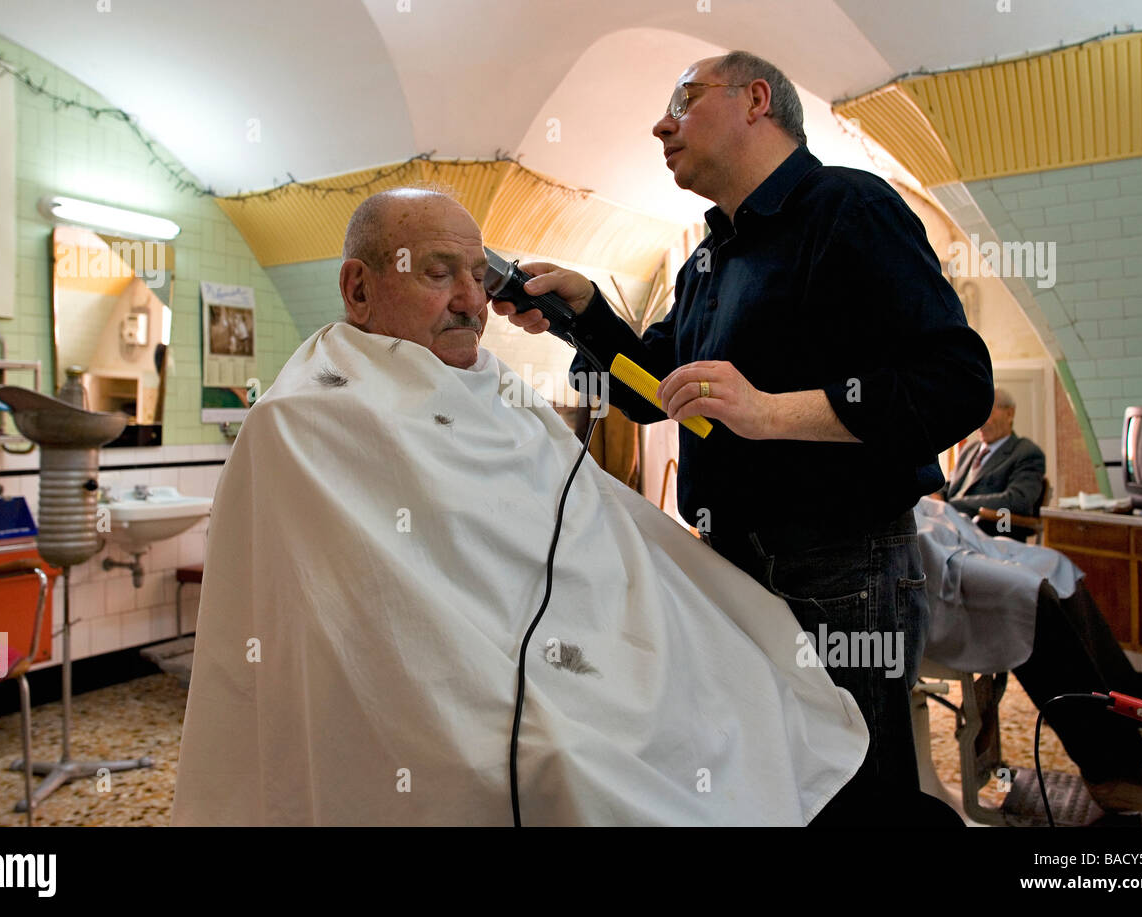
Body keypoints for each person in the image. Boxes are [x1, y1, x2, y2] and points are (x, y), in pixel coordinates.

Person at [172, 187, 869, 825]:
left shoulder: (496, 388)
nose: (472, 303)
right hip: (457, 694)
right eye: (439, 272)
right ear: (359, 288)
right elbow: (376, 623)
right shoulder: (304, 421)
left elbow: (600, 524)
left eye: (480, 275)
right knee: (571, 764)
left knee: (744, 671)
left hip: (597, 646)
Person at [496, 51, 995, 821]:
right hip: (730, 565)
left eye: (684, 100)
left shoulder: (849, 209)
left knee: (856, 788)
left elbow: (955, 381)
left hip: (840, 569)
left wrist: (771, 412)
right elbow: (654, 391)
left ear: (757, 99)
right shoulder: (708, 255)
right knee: (771, 775)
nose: (661, 123)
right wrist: (585, 310)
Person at [929, 387, 1045, 541]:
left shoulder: (1026, 453)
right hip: (947, 526)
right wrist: (936, 497)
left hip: (989, 536)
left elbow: (1017, 501)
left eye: (987, 413)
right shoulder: (970, 449)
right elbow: (951, 485)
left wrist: (951, 507)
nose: (980, 423)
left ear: (1010, 414)